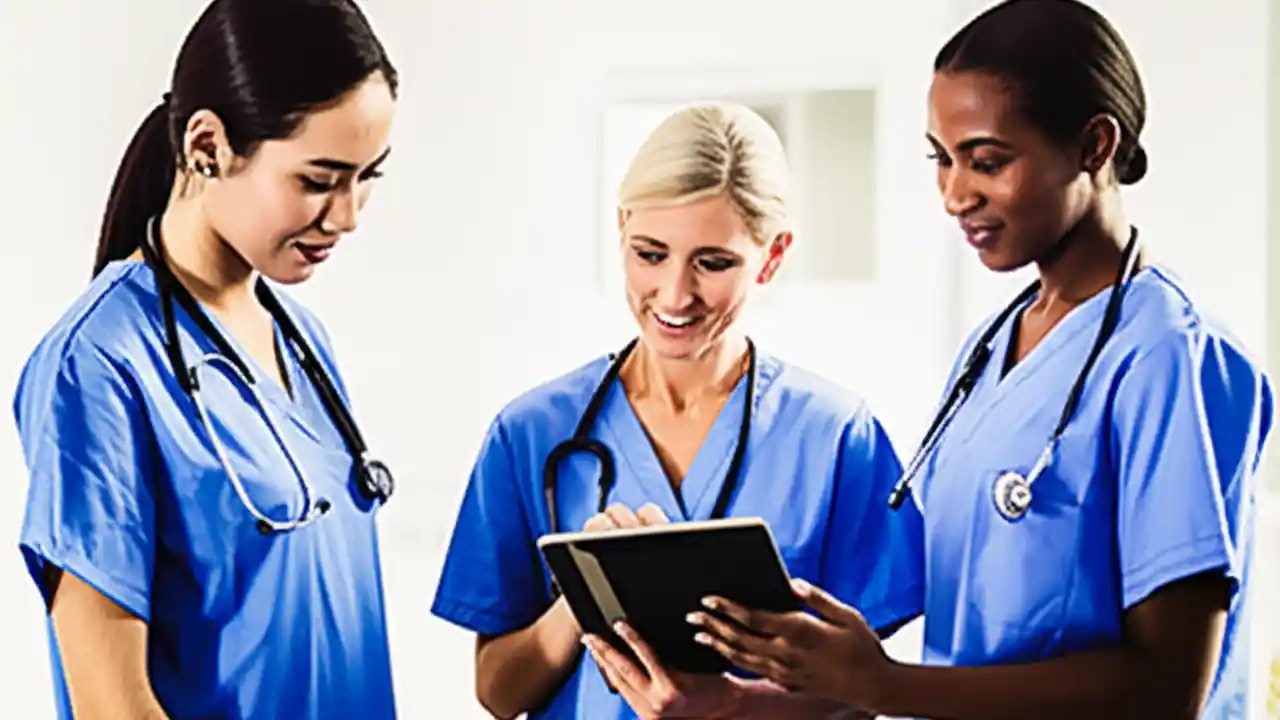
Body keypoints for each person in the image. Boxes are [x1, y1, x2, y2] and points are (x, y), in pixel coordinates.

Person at [587, 2, 1276, 719]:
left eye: (987, 161)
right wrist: (732, 703)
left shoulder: (1171, 357)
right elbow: (964, 664)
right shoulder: (992, 349)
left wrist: (881, 681)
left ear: (1094, 147)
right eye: (940, 159)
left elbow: (1167, 690)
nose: (954, 194)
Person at [430, 102, 925, 719]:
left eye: (713, 263)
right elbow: (499, 693)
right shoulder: (532, 433)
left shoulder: (833, 435)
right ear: (620, 229)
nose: (674, 295)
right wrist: (585, 592)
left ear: (771, 256)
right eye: (650, 253)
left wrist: (733, 707)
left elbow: (863, 691)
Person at [13, 1, 400, 718]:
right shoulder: (99, 365)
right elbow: (112, 706)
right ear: (208, 146)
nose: (348, 215)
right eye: (319, 179)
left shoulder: (306, 344)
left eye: (368, 175)